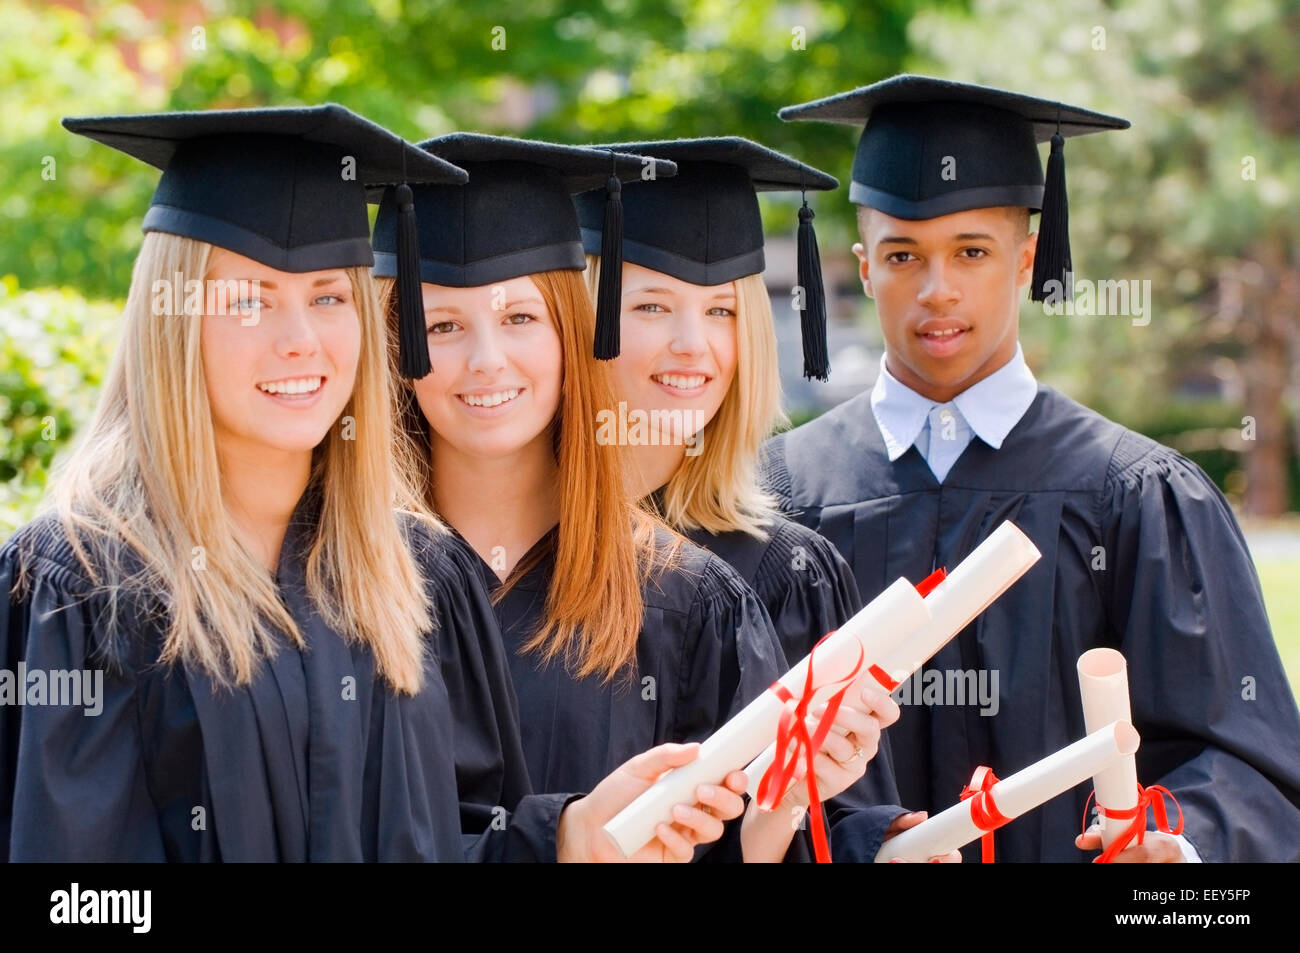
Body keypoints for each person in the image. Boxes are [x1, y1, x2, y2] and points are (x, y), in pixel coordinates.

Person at [0, 106, 742, 862]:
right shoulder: (79, 584)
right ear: (172, 320)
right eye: (250, 300)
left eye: (328, 296)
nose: (300, 340)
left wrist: (567, 838)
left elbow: (456, 840)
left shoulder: (414, 574)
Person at [761, 74, 1300, 861]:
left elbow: (1246, 759)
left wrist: (1180, 846)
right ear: (864, 266)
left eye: (971, 251)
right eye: (903, 254)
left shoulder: (1136, 495)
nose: (938, 290)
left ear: (1025, 258)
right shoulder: (779, 499)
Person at [373, 132, 891, 860]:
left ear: (574, 336)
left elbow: (750, 842)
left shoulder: (689, 599)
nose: (486, 360)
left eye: (521, 318)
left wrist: (780, 811)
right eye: (442, 325)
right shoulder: (338, 588)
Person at [574, 137, 936, 862]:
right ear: (588, 321)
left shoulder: (785, 573)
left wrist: (885, 841)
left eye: (721, 311)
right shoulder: (504, 549)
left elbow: (836, 821)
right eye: (651, 305)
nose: (692, 345)